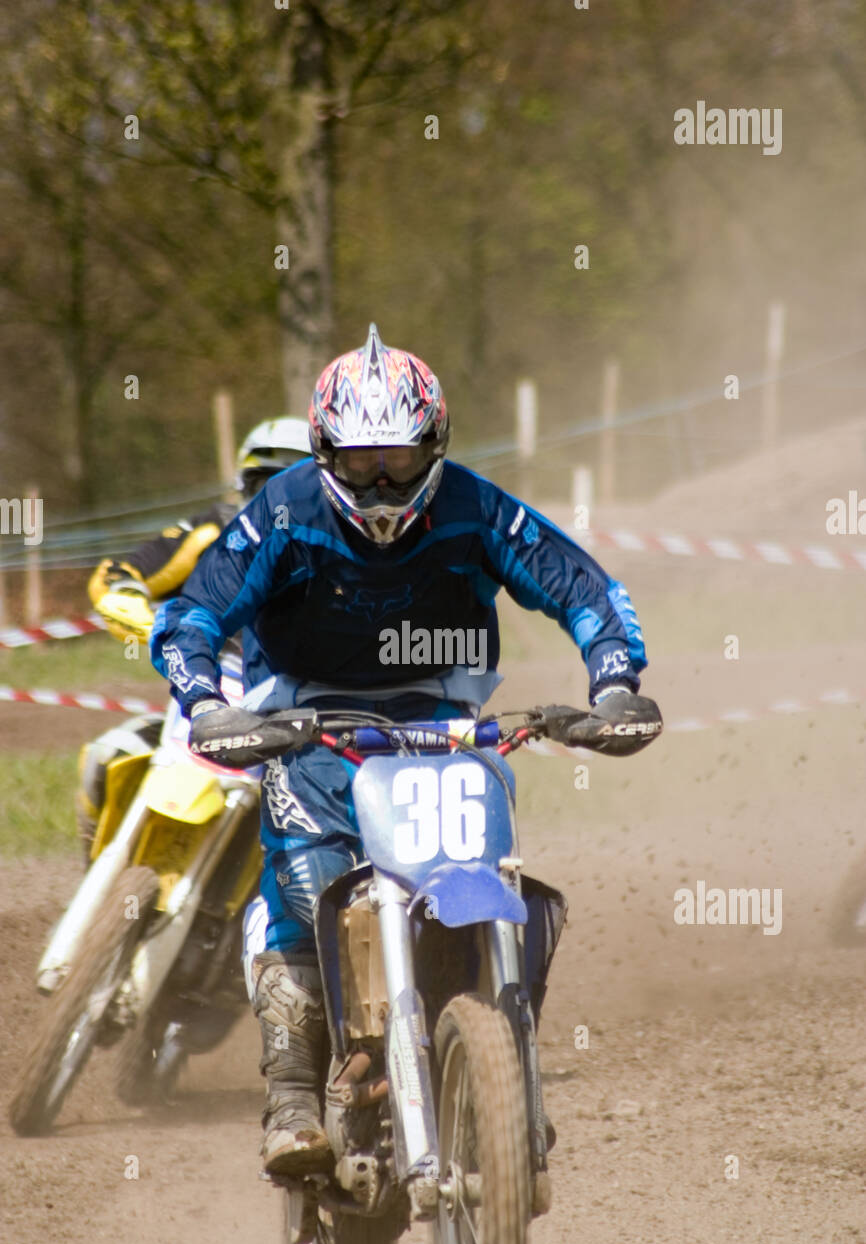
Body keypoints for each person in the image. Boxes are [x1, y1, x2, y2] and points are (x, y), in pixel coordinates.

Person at [150, 324, 661, 1176]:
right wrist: (207, 703)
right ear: (323, 454)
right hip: (310, 723)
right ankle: (290, 1098)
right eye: (359, 463)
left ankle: (509, 1074)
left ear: (435, 445)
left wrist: (613, 685)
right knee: (306, 884)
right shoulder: (282, 512)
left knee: (497, 882)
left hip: (447, 720)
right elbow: (191, 615)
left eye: (397, 458)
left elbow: (586, 589)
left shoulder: (475, 506)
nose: (381, 481)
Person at [72, 417, 312, 860]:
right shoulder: (212, 532)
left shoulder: (338, 548)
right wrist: (136, 607)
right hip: (207, 700)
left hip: (302, 718)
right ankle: (100, 872)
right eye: (265, 485)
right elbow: (123, 573)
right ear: (243, 485)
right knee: (106, 759)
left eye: (293, 486)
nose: (278, 502)